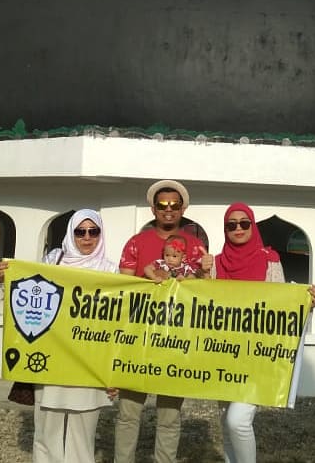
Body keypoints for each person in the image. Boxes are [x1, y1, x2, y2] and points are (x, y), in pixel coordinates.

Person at [0, 209, 117, 463]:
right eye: (80, 232)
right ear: (71, 234)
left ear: (100, 234)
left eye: (93, 231)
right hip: (51, 363)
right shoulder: (52, 263)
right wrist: (4, 277)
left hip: (89, 367)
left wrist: (114, 372)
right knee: (46, 435)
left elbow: (119, 326)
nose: (87, 237)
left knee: (82, 439)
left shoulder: (111, 273)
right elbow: (28, 295)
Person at [210, 202, 315, 463]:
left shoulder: (269, 260)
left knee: (238, 421)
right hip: (221, 355)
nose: (238, 228)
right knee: (226, 422)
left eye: (244, 223)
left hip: (256, 358)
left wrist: (307, 304)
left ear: (252, 225)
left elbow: (280, 306)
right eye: (231, 225)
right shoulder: (215, 264)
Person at [114, 179, 212, 463]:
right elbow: (121, 285)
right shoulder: (136, 243)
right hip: (138, 338)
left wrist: (204, 273)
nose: (168, 210)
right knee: (128, 414)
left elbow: (205, 292)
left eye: (174, 205)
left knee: (170, 416)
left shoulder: (195, 246)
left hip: (176, 340)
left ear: (183, 209)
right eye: (162, 205)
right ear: (153, 208)